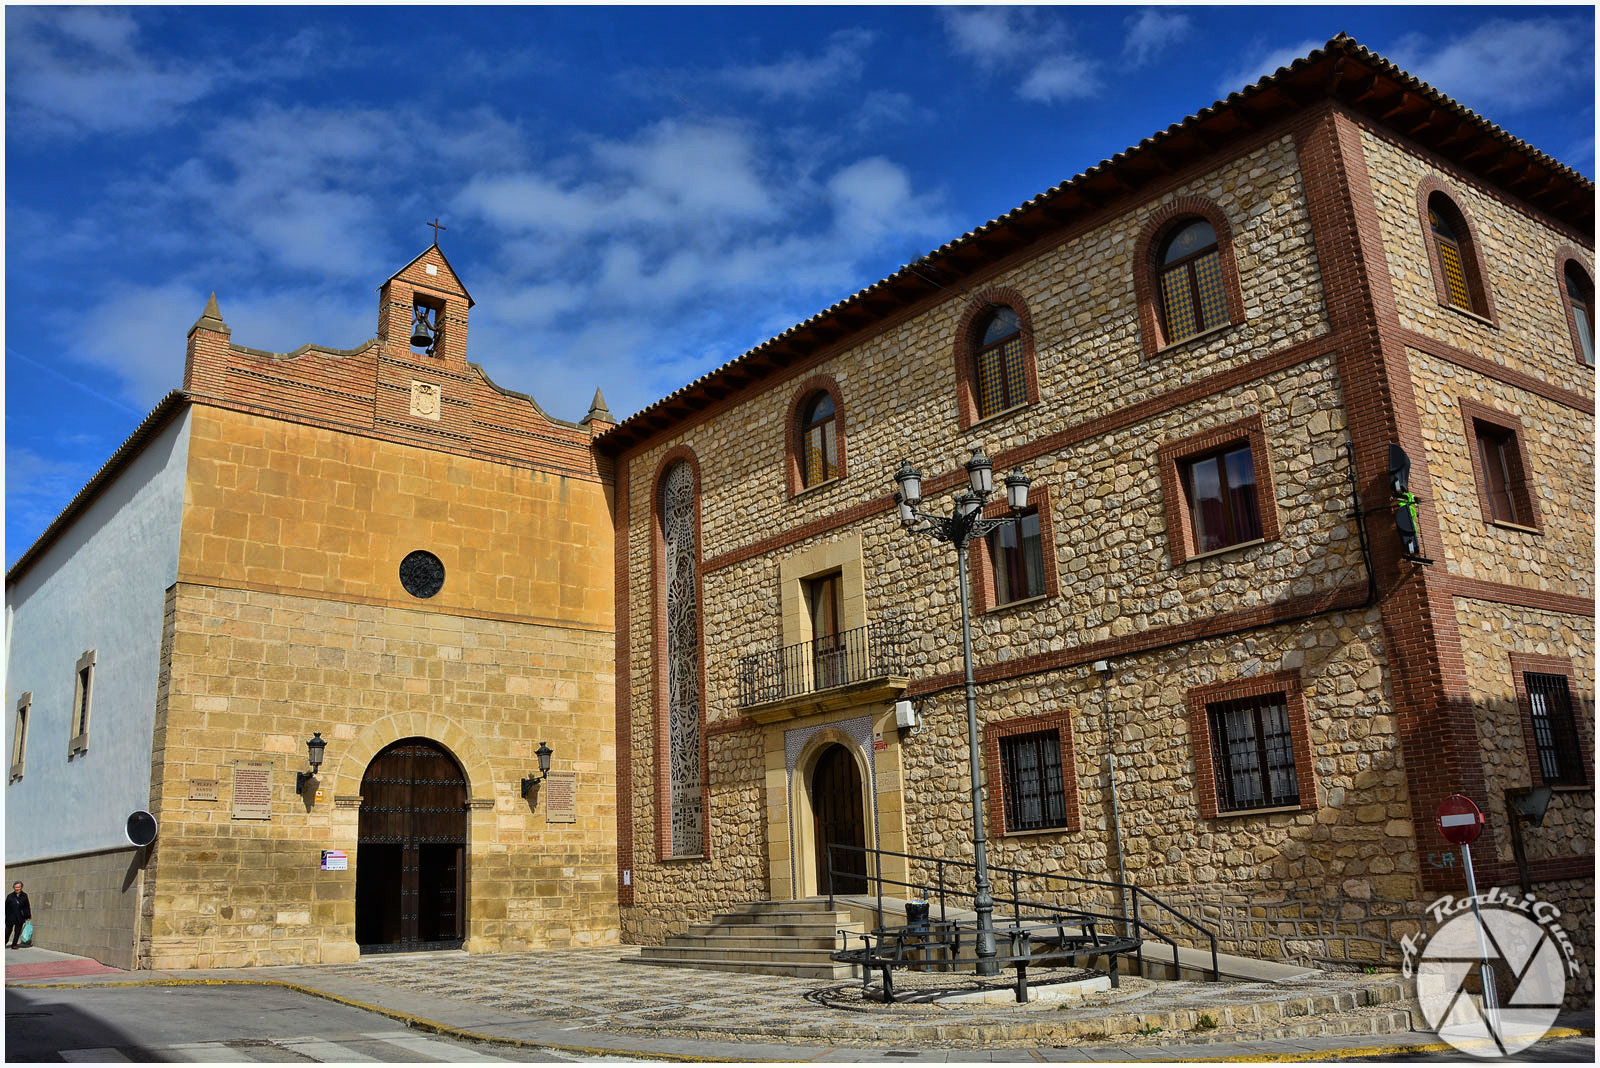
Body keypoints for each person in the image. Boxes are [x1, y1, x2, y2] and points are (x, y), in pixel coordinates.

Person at [5, 881, 31, 948]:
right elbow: (5, 906)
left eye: (18, 887)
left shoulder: (24, 895)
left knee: (17, 931)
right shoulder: (10, 896)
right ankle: (4, 941)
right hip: (10, 916)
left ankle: (14, 944)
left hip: (20, 916)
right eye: (16, 887)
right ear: (14, 888)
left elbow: (27, 906)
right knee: (7, 931)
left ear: (21, 887)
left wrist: (28, 915)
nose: (17, 889)